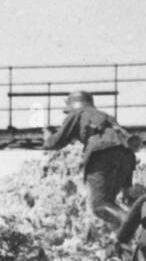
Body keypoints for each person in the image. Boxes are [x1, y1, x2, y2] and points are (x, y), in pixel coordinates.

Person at [42, 91, 140, 251]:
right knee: (110, 204)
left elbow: (55, 142)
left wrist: (47, 137)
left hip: (102, 154)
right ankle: (127, 245)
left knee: (100, 205)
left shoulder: (77, 114)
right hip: (126, 155)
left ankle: (135, 229)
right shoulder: (105, 116)